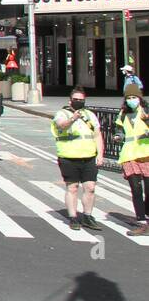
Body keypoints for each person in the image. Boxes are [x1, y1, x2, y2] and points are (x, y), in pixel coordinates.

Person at [51, 88, 104, 232]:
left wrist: (100, 154)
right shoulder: (62, 113)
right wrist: (73, 118)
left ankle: (87, 216)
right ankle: (73, 217)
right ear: (70, 100)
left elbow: (97, 135)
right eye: (76, 99)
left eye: (81, 100)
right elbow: (62, 125)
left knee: (90, 188)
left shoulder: (90, 115)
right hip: (69, 157)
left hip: (88, 156)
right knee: (72, 187)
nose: (79, 102)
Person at [116, 85, 149, 237]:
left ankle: (147, 217)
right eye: (128, 98)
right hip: (129, 155)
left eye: (134, 97)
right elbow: (118, 130)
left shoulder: (146, 112)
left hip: (146, 154)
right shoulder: (123, 114)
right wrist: (118, 137)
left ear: (140, 98)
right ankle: (141, 222)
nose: (131, 100)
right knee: (136, 190)